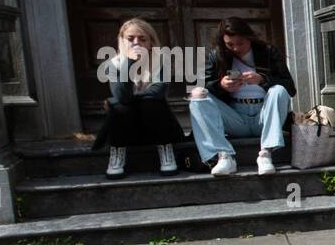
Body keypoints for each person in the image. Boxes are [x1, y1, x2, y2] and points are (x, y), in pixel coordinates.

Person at [189, 17, 296, 176]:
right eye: (230, 44)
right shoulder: (217, 56)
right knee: (197, 96)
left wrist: (262, 80)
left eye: (240, 43)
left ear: (249, 38)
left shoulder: (267, 52)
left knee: (278, 90)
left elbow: (290, 88)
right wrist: (221, 85)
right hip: (235, 117)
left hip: (264, 114)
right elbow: (205, 85)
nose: (236, 48)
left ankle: (266, 154)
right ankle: (224, 156)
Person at [94, 18, 185, 179]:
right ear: (122, 41)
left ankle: (166, 151)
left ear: (151, 43)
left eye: (142, 39)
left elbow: (158, 91)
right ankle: (117, 154)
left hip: (156, 126)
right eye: (130, 39)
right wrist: (129, 62)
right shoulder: (114, 64)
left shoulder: (160, 61)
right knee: (121, 106)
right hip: (127, 127)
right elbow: (122, 96)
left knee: (149, 102)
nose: (136, 43)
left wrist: (124, 99)